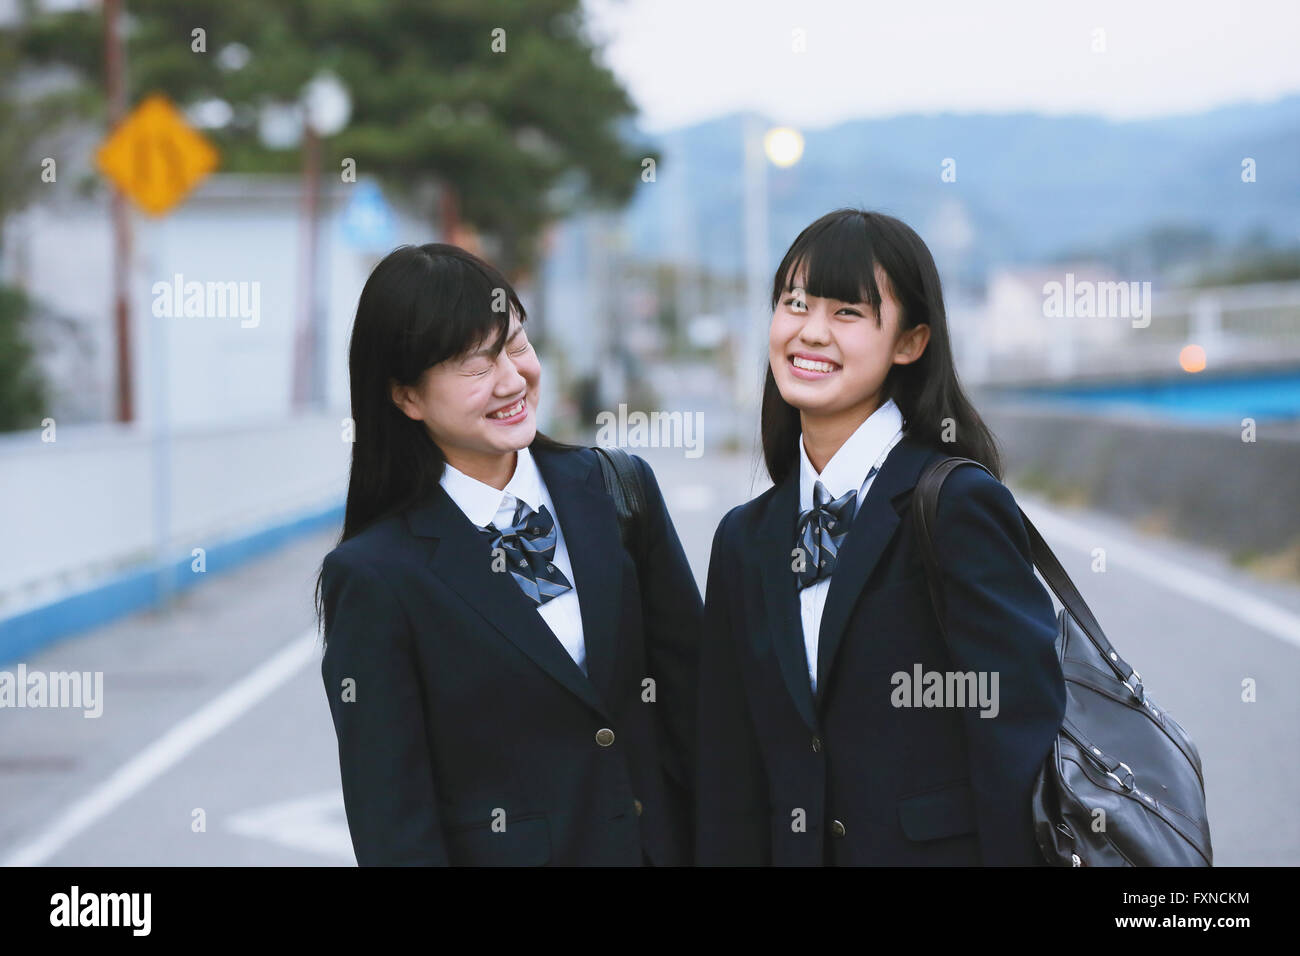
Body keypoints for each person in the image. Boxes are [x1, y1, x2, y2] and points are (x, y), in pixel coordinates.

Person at [695, 209, 1066, 865]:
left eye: (847, 313)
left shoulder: (954, 504)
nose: (810, 331)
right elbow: (729, 767)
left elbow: (1016, 735)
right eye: (795, 303)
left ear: (910, 342)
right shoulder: (742, 541)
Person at [316, 243, 701, 866]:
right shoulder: (374, 577)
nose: (511, 378)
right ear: (407, 397)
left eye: (516, 345)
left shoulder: (618, 490)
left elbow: (696, 709)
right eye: (473, 365)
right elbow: (394, 823)